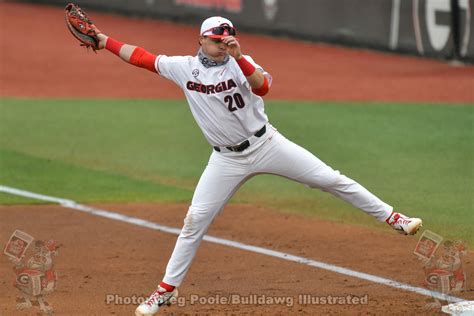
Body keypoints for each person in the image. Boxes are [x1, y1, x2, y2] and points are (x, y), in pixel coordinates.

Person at [93, 16, 423, 315]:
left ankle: (393, 217)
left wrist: (238, 56)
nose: (222, 44)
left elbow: (263, 86)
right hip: (225, 158)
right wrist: (105, 41)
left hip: (267, 144)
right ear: (201, 40)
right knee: (194, 221)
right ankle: (166, 290)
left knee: (328, 178)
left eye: (228, 38)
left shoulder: (242, 63)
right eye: (216, 39)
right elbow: (141, 57)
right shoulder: (183, 68)